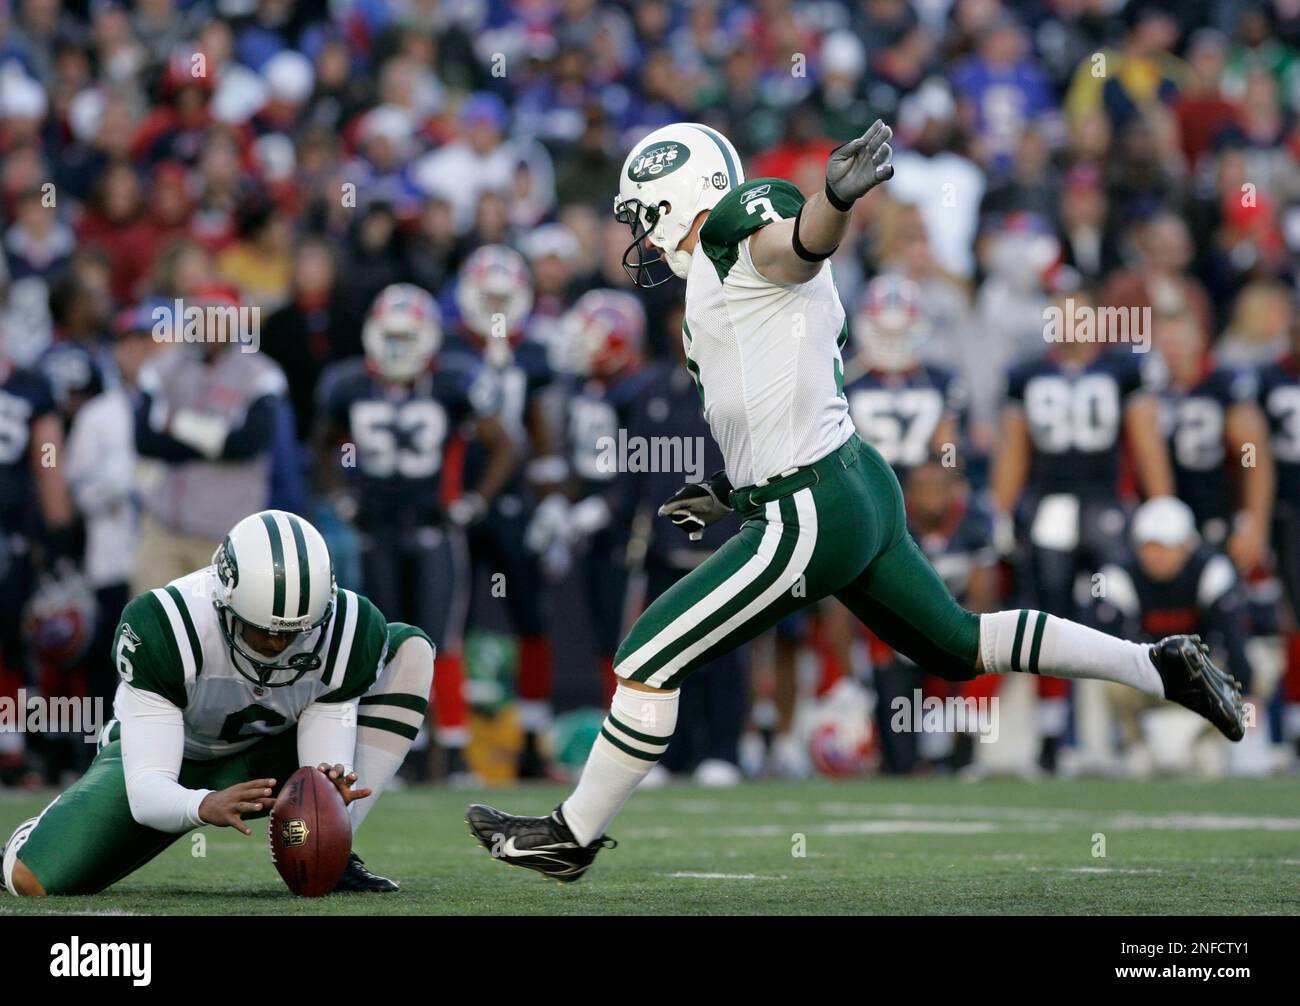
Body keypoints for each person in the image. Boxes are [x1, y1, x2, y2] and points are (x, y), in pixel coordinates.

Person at [467, 120, 1246, 882]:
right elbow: (776, 384)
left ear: (678, 197)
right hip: (850, 483)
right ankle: (1156, 667)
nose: (635, 235)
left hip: (809, 504)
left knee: (645, 655)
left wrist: (831, 204)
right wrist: (730, 489)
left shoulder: (737, 221)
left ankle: (569, 836)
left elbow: (795, 245)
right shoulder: (720, 270)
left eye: (641, 214)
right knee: (958, 645)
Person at [2, 510, 434, 896]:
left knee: (409, 650)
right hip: (179, 759)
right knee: (33, 879)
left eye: (293, 632)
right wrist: (201, 805)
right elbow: (149, 790)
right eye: (260, 629)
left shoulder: (348, 630)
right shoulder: (166, 625)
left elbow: (322, 759)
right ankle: (26, 840)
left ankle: (332, 854)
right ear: (223, 599)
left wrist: (328, 790)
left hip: (271, 748)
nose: (276, 643)